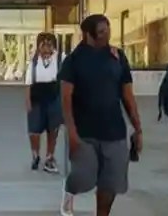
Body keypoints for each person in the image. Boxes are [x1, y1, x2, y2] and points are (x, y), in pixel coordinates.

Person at [59, 14, 143, 216]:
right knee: (84, 178)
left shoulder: (117, 57)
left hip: (114, 131)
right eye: (101, 32)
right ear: (88, 34)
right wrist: (71, 132)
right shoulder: (73, 61)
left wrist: (138, 128)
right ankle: (69, 190)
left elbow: (127, 95)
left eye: (108, 31)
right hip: (84, 133)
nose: (106, 35)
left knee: (110, 185)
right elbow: (65, 98)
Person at [26, 31, 63, 173]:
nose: (46, 47)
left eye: (49, 44)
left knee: (52, 129)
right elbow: (29, 83)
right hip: (37, 98)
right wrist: (28, 100)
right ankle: (35, 155)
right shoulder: (34, 61)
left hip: (54, 97)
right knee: (34, 130)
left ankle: (50, 157)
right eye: (43, 44)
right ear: (38, 46)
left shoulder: (60, 59)